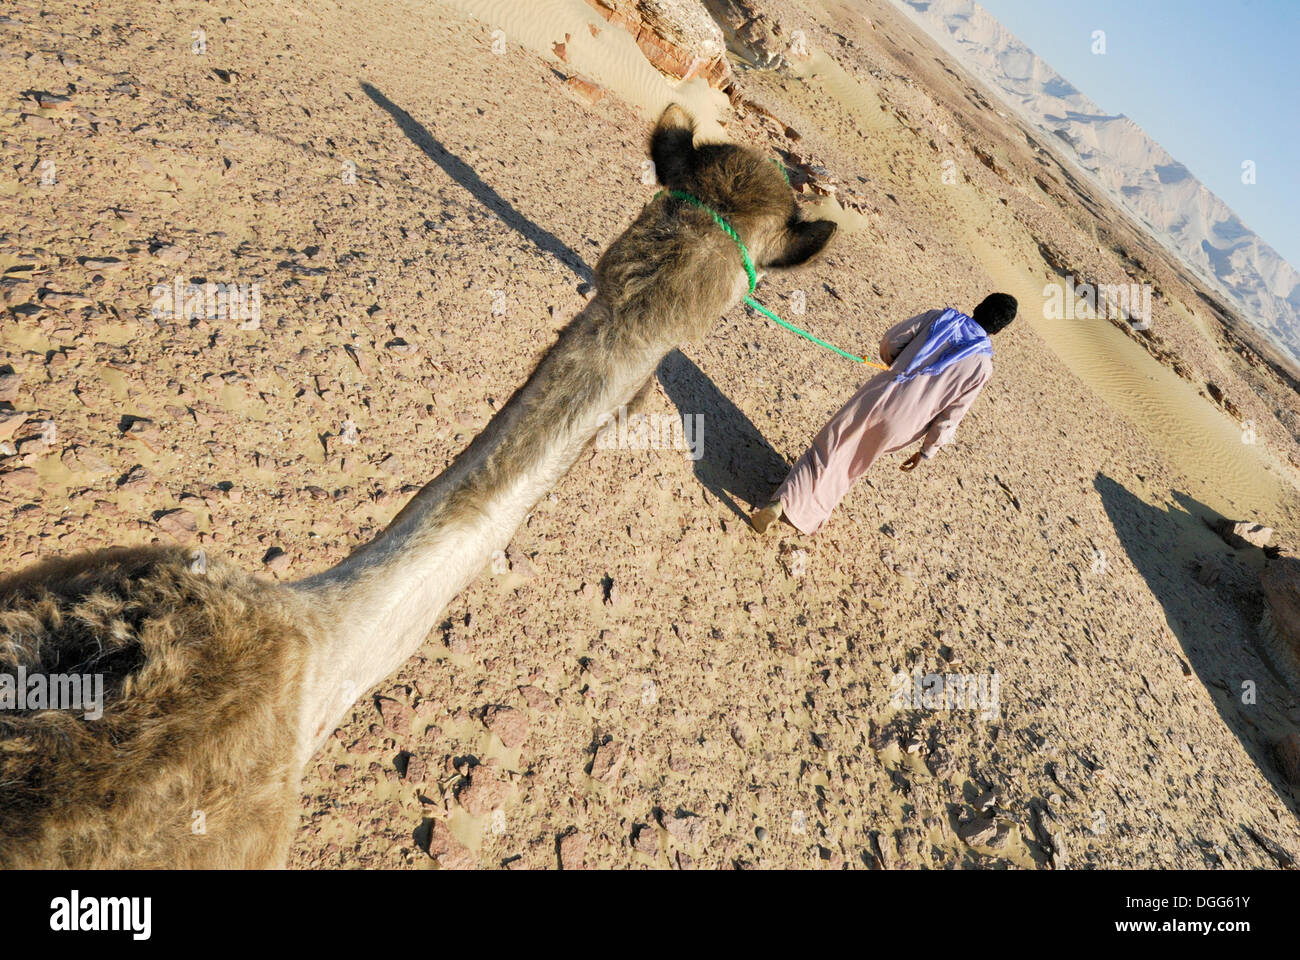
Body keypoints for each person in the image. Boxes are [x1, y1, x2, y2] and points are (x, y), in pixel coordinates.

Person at [751, 293, 1017, 535]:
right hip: (905, 424)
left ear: (979, 305)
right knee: (853, 464)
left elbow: (892, 340)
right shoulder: (982, 367)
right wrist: (926, 451)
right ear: (1000, 330)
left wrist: (895, 363)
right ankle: (807, 514)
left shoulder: (940, 318)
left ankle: (781, 503)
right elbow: (951, 417)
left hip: (881, 393)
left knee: (829, 447)